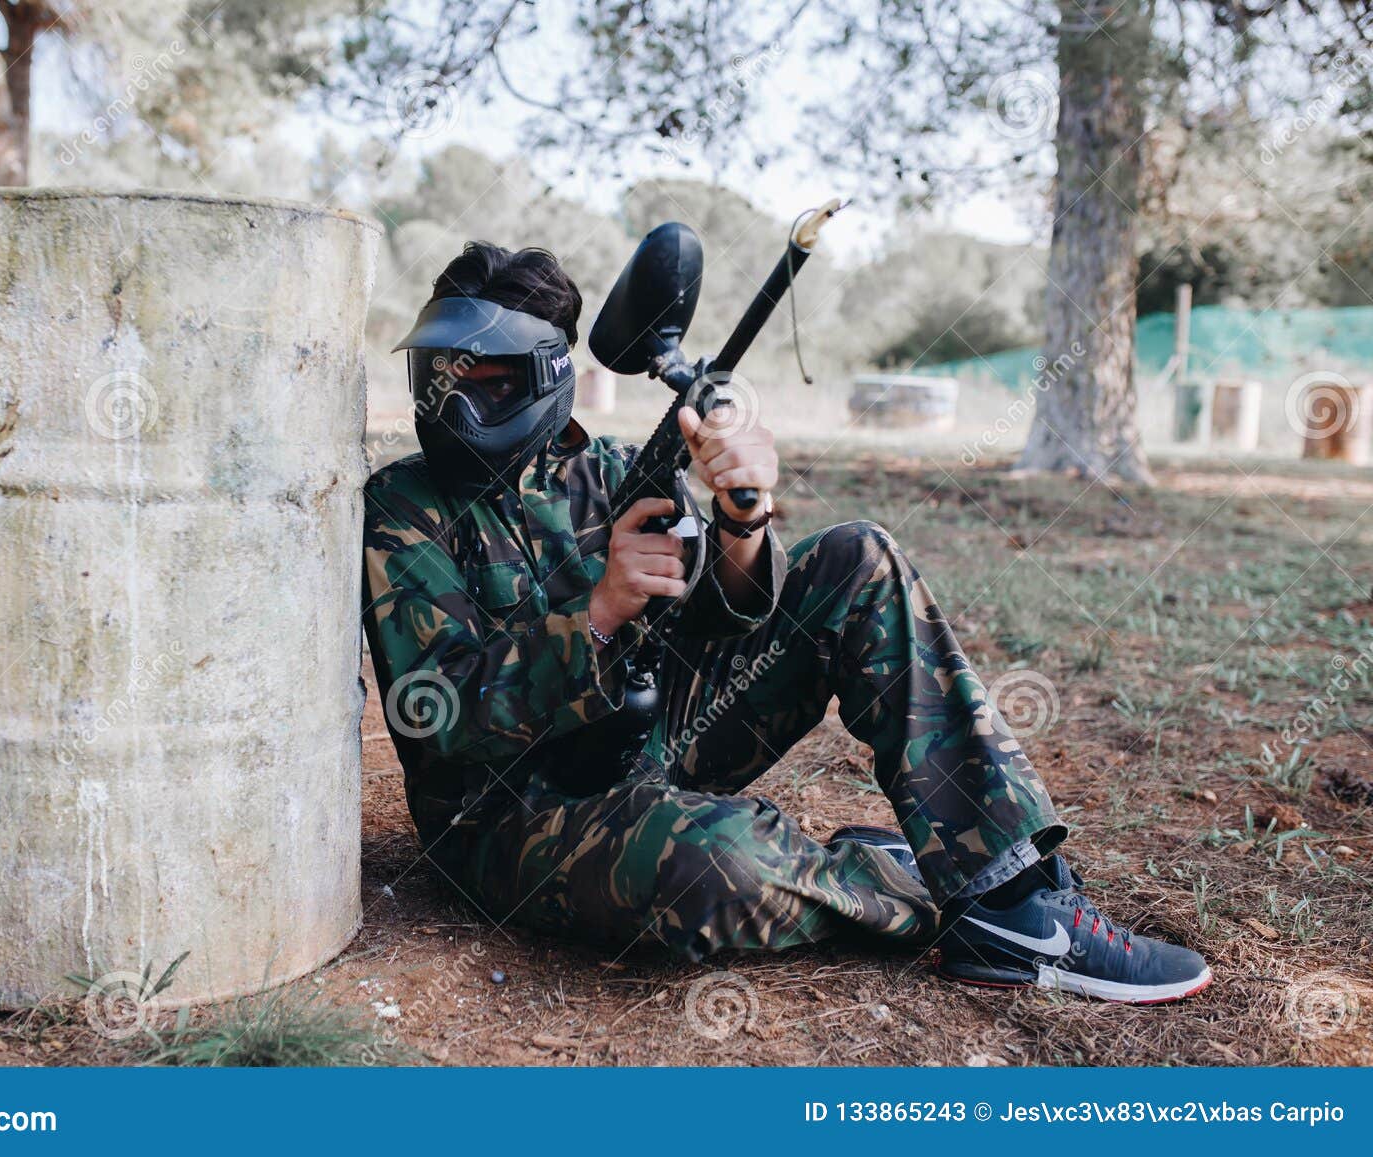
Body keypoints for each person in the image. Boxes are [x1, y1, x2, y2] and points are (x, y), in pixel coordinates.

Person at [361, 241, 1211, 1003]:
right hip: (509, 820)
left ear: (547, 375)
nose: (457, 402)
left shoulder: (610, 470)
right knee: (713, 862)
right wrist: (596, 613)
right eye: (442, 374)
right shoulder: (400, 512)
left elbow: (722, 619)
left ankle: (1009, 893)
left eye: (490, 380)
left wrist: (743, 517)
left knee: (857, 557)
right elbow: (443, 725)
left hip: (651, 741)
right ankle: (901, 883)